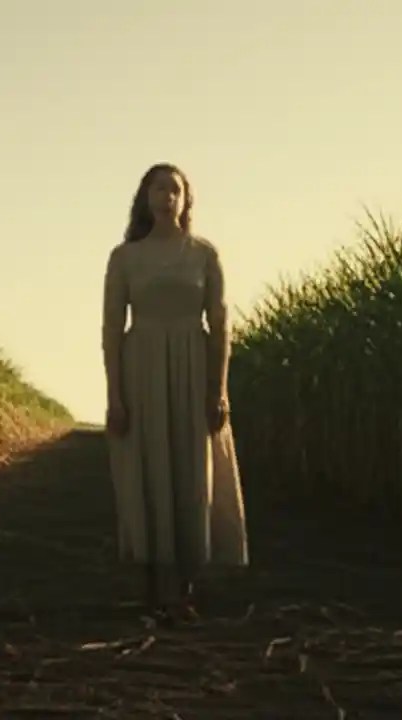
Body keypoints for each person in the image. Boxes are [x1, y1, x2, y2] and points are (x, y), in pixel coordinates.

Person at [100, 162, 250, 623]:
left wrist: (218, 388)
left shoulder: (204, 255)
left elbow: (221, 323)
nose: (167, 195)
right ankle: (150, 585)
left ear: (186, 201)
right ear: (145, 198)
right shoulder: (124, 258)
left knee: (190, 466)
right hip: (141, 364)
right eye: (158, 187)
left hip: (191, 362)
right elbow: (111, 328)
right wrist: (116, 396)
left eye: (175, 189)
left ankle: (184, 588)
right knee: (146, 465)